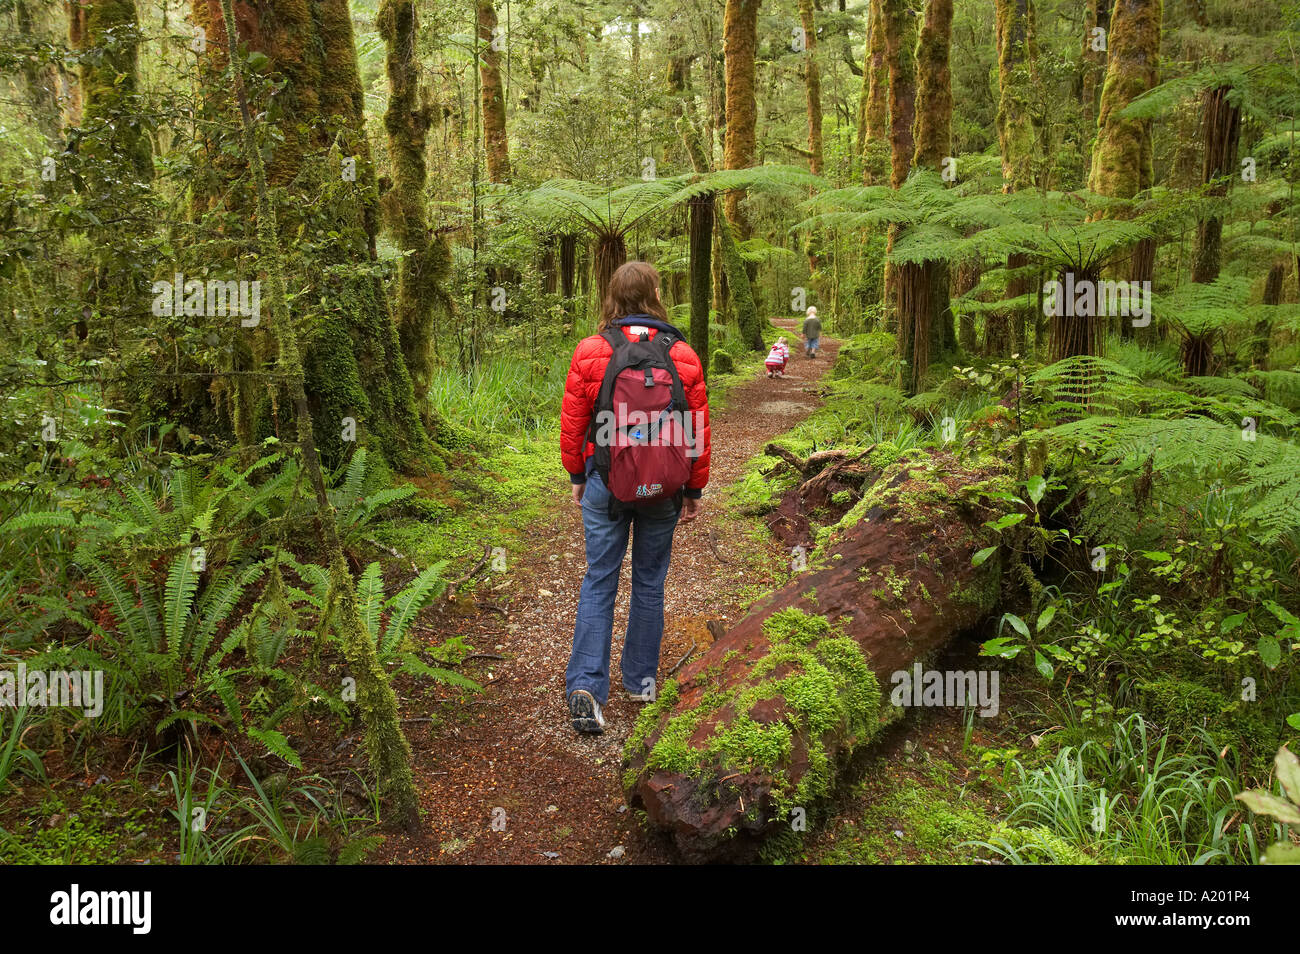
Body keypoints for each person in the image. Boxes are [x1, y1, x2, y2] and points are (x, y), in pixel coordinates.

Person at [559, 261, 711, 734]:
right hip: (662, 485)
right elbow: (696, 426)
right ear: (655, 295)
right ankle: (641, 681)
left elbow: (574, 421)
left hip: (606, 480)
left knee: (599, 579)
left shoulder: (591, 350)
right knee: (649, 582)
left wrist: (576, 474)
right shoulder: (682, 354)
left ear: (612, 296)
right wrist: (694, 487)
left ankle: (586, 684)